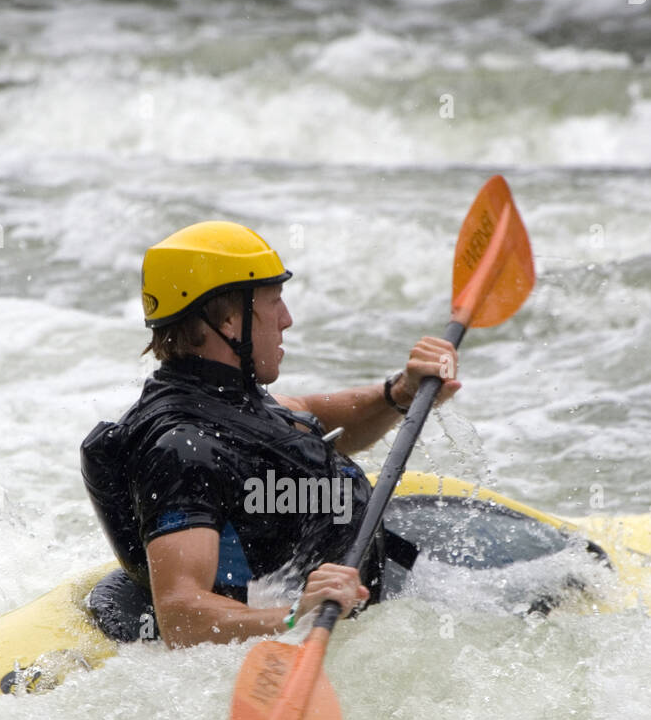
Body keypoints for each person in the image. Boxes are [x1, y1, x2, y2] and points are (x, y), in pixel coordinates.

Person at [80, 220, 460, 648]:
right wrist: (298, 616)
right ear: (227, 319)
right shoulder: (183, 449)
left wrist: (399, 393)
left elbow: (312, 416)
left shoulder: (226, 401)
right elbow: (182, 617)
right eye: (274, 301)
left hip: (371, 595)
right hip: (274, 644)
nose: (287, 320)